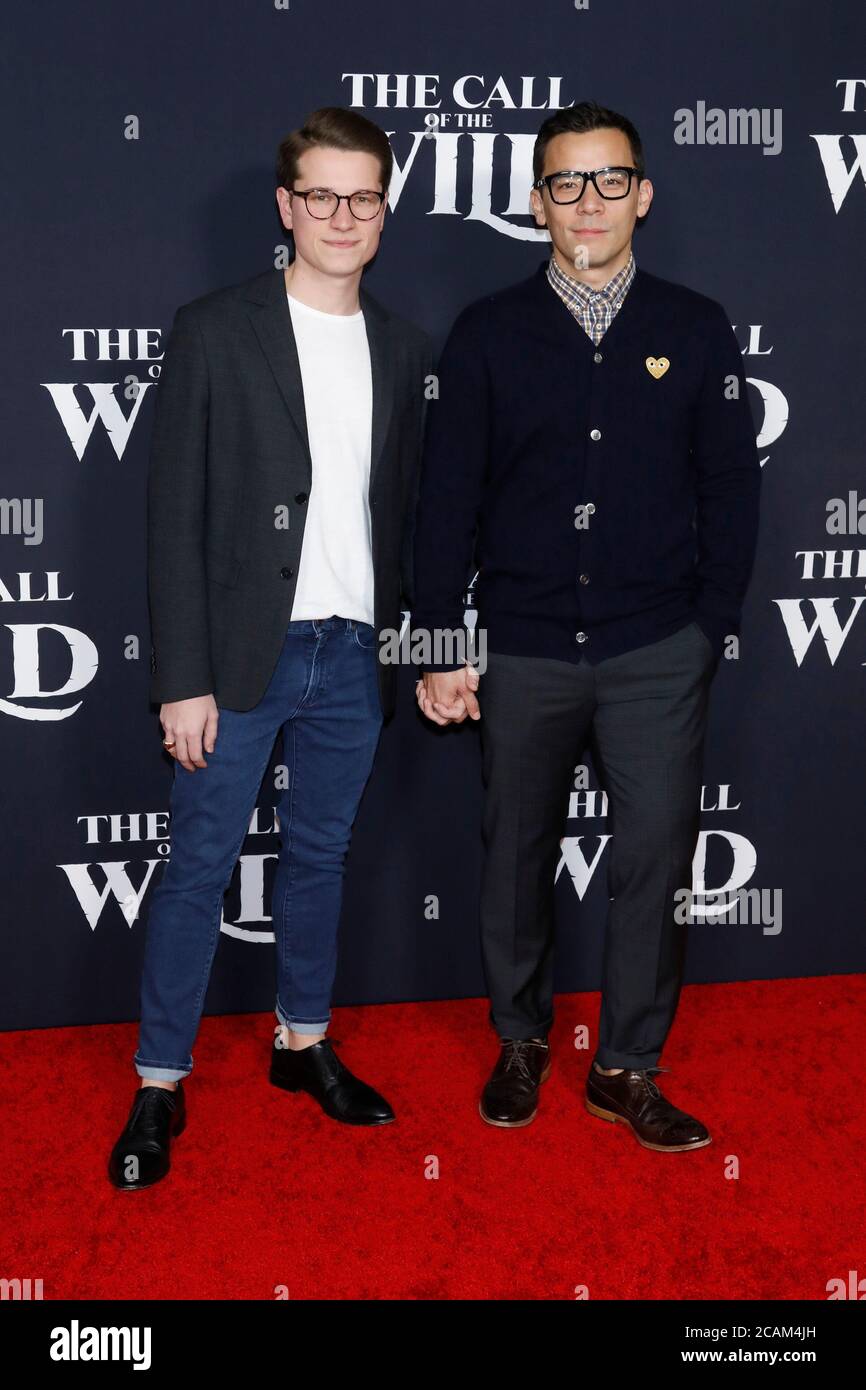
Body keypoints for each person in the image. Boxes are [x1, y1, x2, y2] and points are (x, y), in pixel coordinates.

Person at [411, 101, 761, 1150]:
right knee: (513, 853)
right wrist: (439, 643)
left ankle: (623, 1067)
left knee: (654, 857)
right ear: (536, 204)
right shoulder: (485, 332)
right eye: (565, 183)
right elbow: (445, 505)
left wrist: (705, 630)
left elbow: (730, 495)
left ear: (642, 196)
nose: (588, 201)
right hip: (517, 647)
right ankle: (519, 1040)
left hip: (656, 649)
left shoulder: (693, 327)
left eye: (609, 180)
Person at [109, 107, 432, 1190]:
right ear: (286, 207)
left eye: (364, 197)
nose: (343, 216)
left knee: (322, 859)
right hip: (240, 657)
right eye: (322, 196)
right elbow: (171, 516)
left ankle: (304, 1042)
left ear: (384, 213)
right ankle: (160, 1079)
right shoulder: (214, 328)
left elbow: (410, 517)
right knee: (198, 866)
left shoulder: (402, 344)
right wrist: (182, 677)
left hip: (352, 656)